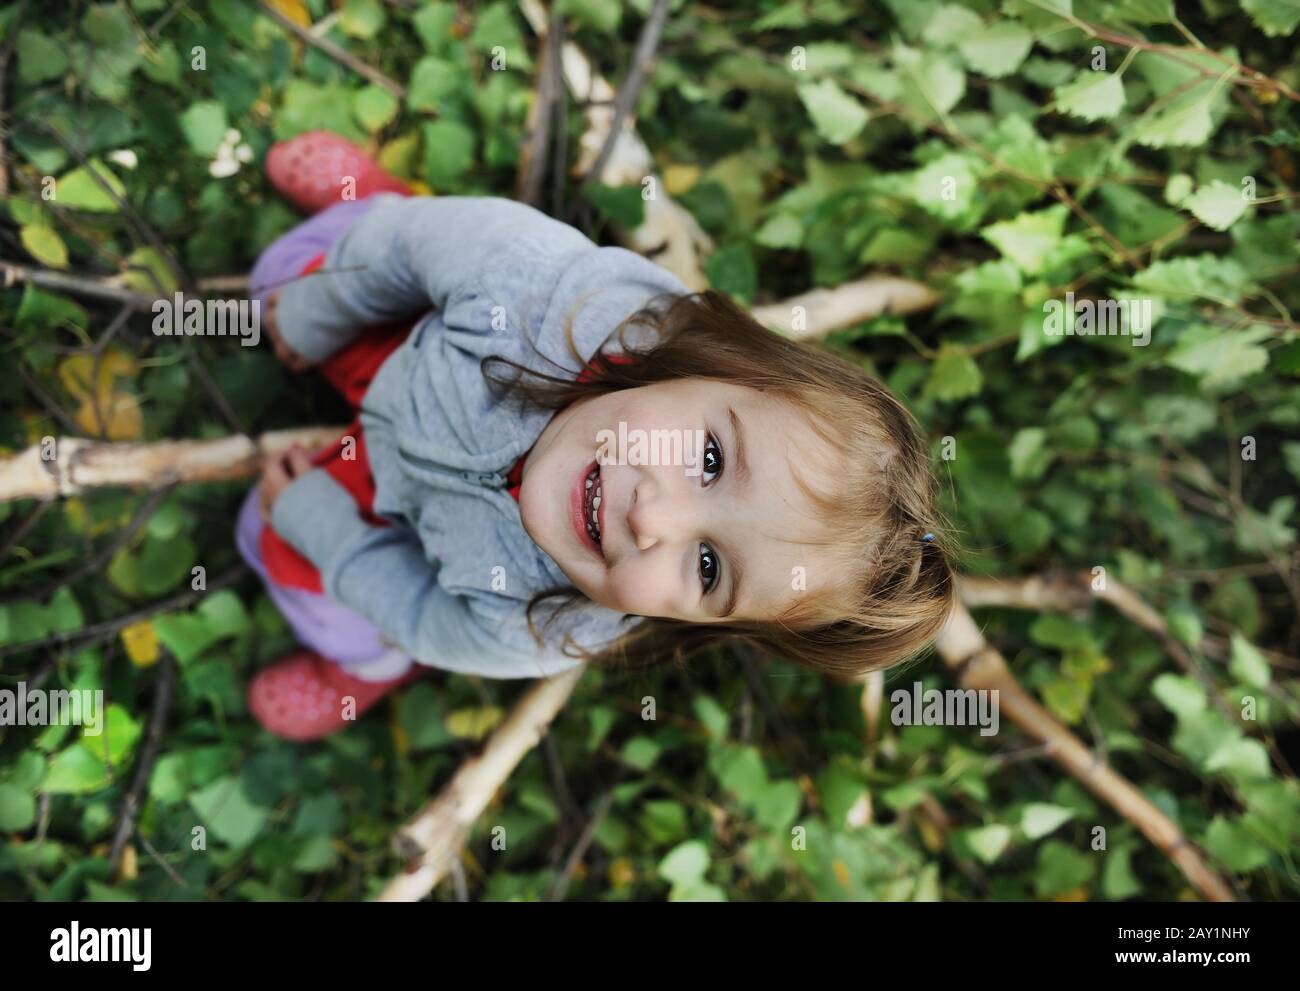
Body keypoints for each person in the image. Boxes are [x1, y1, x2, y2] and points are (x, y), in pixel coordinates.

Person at [237, 131, 955, 741]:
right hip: (412, 347)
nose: (652, 518)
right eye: (708, 458)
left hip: (400, 505)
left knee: (279, 538)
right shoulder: (545, 295)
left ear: (699, 625)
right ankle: (371, 197)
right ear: (717, 370)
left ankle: (362, 668)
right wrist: (324, 311)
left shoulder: (542, 623)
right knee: (288, 288)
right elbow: (410, 251)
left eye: (708, 568)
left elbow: (426, 614)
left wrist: (330, 534)